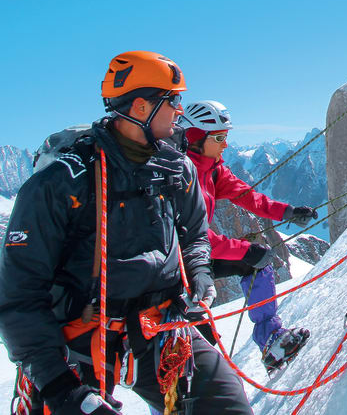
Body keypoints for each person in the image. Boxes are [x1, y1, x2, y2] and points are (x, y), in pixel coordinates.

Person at [0, 51, 253, 415]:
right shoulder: (63, 183)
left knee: (228, 406)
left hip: (161, 328)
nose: (179, 110)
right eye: (172, 100)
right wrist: (57, 385)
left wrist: (198, 270)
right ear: (139, 107)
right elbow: (19, 296)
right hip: (82, 340)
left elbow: (194, 233)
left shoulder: (175, 168)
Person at [180, 100, 317, 374]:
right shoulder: (180, 174)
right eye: (219, 138)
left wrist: (286, 211)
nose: (225, 145)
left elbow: (245, 195)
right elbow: (190, 236)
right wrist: (241, 249)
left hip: (197, 256)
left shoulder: (212, 167)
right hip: (176, 266)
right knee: (194, 349)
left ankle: (272, 340)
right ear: (195, 138)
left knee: (258, 262)